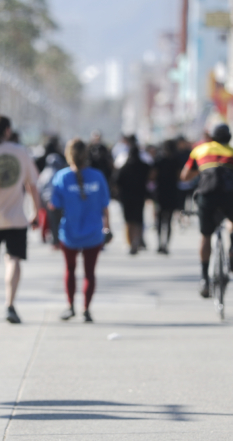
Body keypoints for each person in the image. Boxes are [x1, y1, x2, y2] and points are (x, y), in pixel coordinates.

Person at [0, 115, 40, 324]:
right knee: (13, 259)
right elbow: (32, 185)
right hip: (17, 218)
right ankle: (10, 304)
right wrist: (36, 211)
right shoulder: (21, 152)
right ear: (8, 131)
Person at [180, 124, 233, 298]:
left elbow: (185, 176)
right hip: (230, 195)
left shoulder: (200, 151)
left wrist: (202, 171)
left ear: (211, 137)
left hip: (207, 196)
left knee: (205, 236)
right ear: (230, 138)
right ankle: (232, 248)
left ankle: (204, 278)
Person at [51, 138, 110, 322]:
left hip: (69, 233)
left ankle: (70, 306)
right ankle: (86, 309)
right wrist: (108, 227)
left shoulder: (61, 177)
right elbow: (105, 206)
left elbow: (54, 206)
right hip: (93, 234)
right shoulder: (98, 176)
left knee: (70, 270)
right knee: (90, 273)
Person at [116, 136, 151, 255]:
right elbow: (150, 178)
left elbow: (117, 180)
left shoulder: (124, 166)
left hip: (126, 197)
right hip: (139, 196)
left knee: (128, 221)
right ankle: (136, 242)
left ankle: (130, 243)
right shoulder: (144, 166)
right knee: (138, 220)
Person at [153, 140, 181, 254]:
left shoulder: (159, 160)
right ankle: (166, 245)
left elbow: (152, 176)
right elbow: (180, 176)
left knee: (159, 220)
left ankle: (160, 243)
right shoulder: (176, 160)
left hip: (160, 192)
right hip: (172, 192)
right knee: (168, 220)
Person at [37, 153, 67, 246]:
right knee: (60, 221)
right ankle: (61, 241)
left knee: (52, 222)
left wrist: (41, 202)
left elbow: (40, 188)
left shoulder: (44, 173)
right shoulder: (61, 173)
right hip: (58, 201)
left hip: (48, 201)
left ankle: (55, 242)